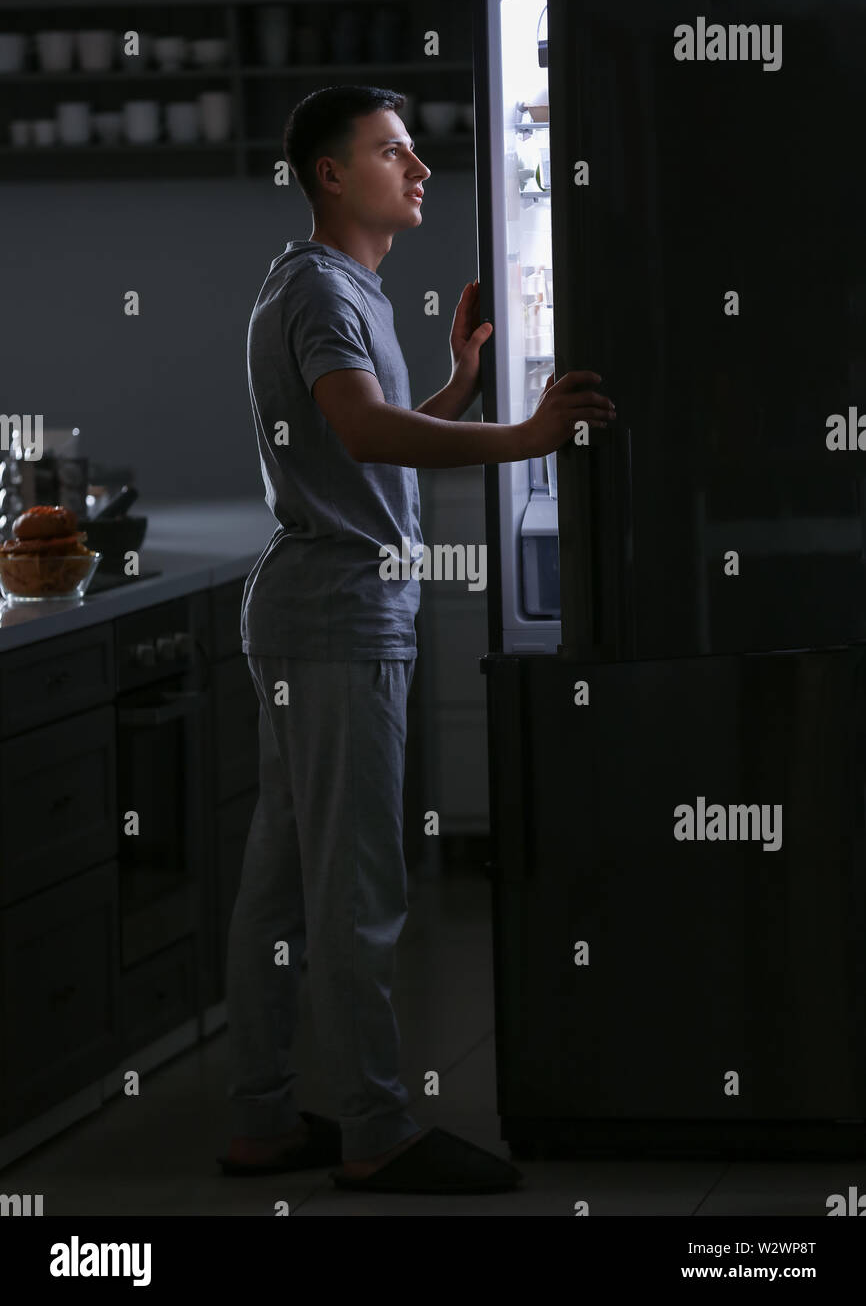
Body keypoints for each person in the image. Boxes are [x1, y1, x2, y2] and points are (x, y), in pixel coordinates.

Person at [219, 85, 616, 1194]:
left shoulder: (336, 291)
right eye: (393, 151)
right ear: (329, 176)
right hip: (337, 615)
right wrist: (524, 432)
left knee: (283, 886)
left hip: (317, 613)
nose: (420, 167)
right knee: (356, 887)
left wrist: (453, 385)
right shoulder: (321, 292)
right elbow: (356, 430)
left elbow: (362, 445)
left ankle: (259, 1120)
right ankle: (376, 1129)